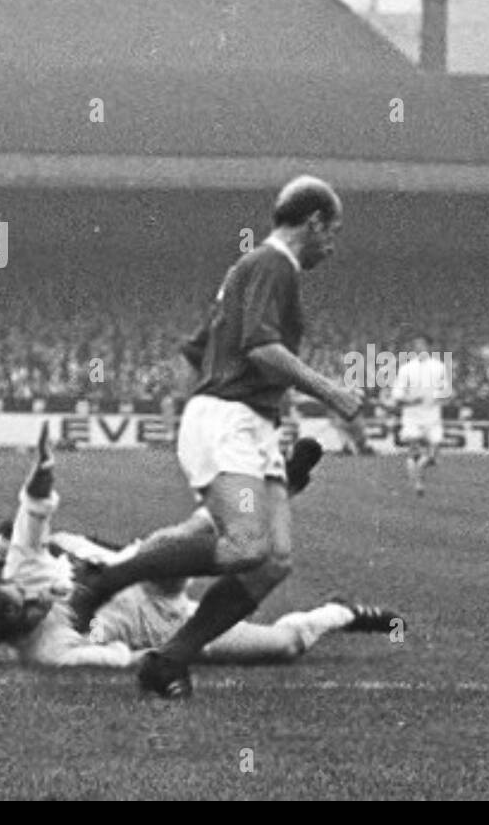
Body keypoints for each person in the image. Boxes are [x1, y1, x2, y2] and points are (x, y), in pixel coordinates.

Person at [69, 176, 364, 698]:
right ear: (313, 221)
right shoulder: (274, 265)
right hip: (231, 419)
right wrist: (329, 391)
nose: (333, 245)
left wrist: (195, 413)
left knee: (273, 561)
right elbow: (259, 349)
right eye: (332, 231)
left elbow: (194, 350)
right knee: (248, 545)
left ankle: (169, 660)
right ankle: (108, 580)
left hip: (245, 423)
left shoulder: (244, 271)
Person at [0, 425, 402, 668]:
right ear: (15, 632)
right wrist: (169, 657)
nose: (38, 596)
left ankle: (272, 481)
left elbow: (34, 509)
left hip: (145, 576)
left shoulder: (18, 569)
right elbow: (124, 660)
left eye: (26, 591)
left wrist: (42, 467)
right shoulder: (51, 652)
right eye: (30, 606)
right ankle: (342, 613)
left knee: (179, 538)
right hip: (168, 625)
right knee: (287, 644)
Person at [389, 334, 452, 495]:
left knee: (434, 453)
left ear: (429, 347)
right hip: (412, 416)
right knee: (414, 451)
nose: (419, 348)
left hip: (432, 416)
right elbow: (397, 393)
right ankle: (417, 485)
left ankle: (419, 471)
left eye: (422, 345)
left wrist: (442, 397)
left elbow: (446, 390)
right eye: (416, 345)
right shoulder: (406, 368)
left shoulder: (439, 367)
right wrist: (410, 399)